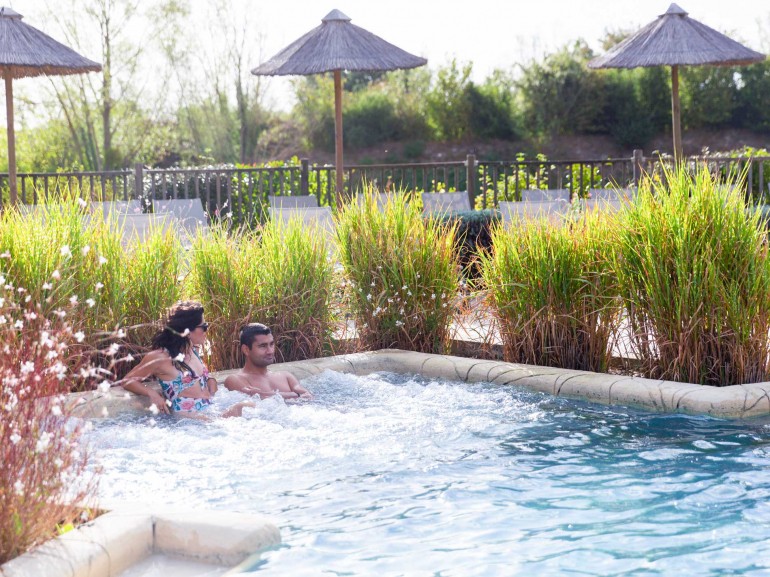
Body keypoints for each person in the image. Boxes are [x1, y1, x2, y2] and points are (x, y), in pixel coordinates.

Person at [121, 300, 253, 418]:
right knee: (243, 407)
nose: (207, 331)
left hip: (209, 411)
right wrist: (151, 393)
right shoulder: (160, 357)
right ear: (187, 331)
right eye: (204, 327)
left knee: (249, 405)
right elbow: (127, 380)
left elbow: (197, 379)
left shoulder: (192, 350)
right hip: (189, 421)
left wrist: (209, 379)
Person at [224, 323, 312, 400]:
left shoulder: (286, 377)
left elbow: (307, 396)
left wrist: (263, 394)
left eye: (271, 344)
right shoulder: (235, 379)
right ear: (246, 350)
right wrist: (295, 395)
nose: (270, 351)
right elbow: (256, 399)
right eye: (263, 346)